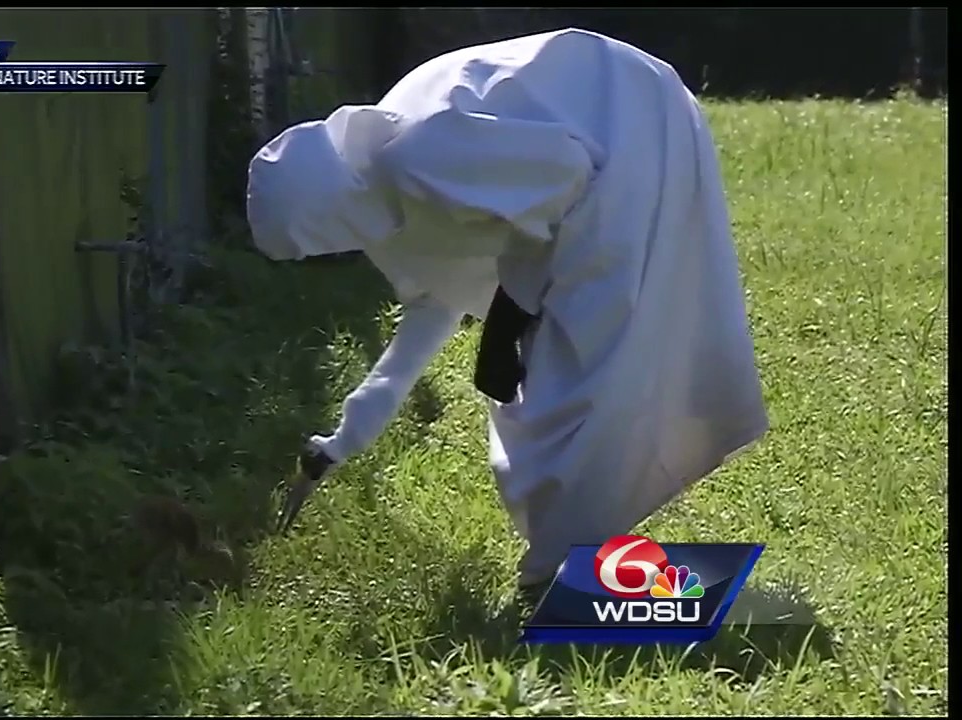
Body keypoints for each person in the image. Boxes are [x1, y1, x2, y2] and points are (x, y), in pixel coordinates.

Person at [245, 28, 769, 598]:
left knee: (586, 386)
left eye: (315, 243)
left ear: (324, 212)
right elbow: (433, 308)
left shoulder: (419, 152)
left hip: (629, 129)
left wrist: (509, 315)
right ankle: (572, 570)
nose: (330, 253)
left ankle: (572, 579)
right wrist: (339, 442)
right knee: (552, 400)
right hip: (613, 138)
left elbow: (565, 175)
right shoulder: (389, 165)